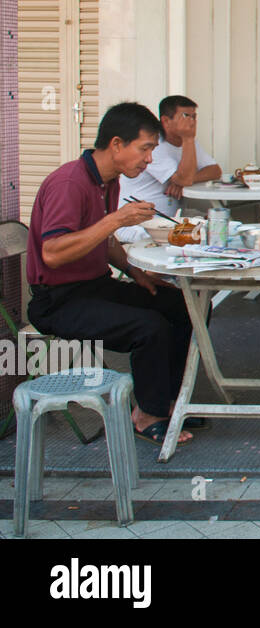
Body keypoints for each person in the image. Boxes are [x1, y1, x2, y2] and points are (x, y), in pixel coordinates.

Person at [26, 102, 198, 447]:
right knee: (149, 328)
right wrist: (115, 220)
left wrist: (137, 274)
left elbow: (104, 241)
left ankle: (164, 402)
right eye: (145, 148)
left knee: (182, 306)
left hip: (95, 285)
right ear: (117, 144)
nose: (149, 159)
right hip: (58, 301)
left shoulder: (109, 181)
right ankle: (146, 415)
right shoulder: (69, 183)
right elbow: (53, 252)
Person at [115, 95, 222, 240]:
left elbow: (214, 170)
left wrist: (187, 180)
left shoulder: (188, 143)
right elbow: (184, 178)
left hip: (168, 222)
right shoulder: (153, 145)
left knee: (214, 227)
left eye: (194, 116)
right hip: (139, 225)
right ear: (165, 121)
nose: (191, 122)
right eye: (185, 116)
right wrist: (183, 178)